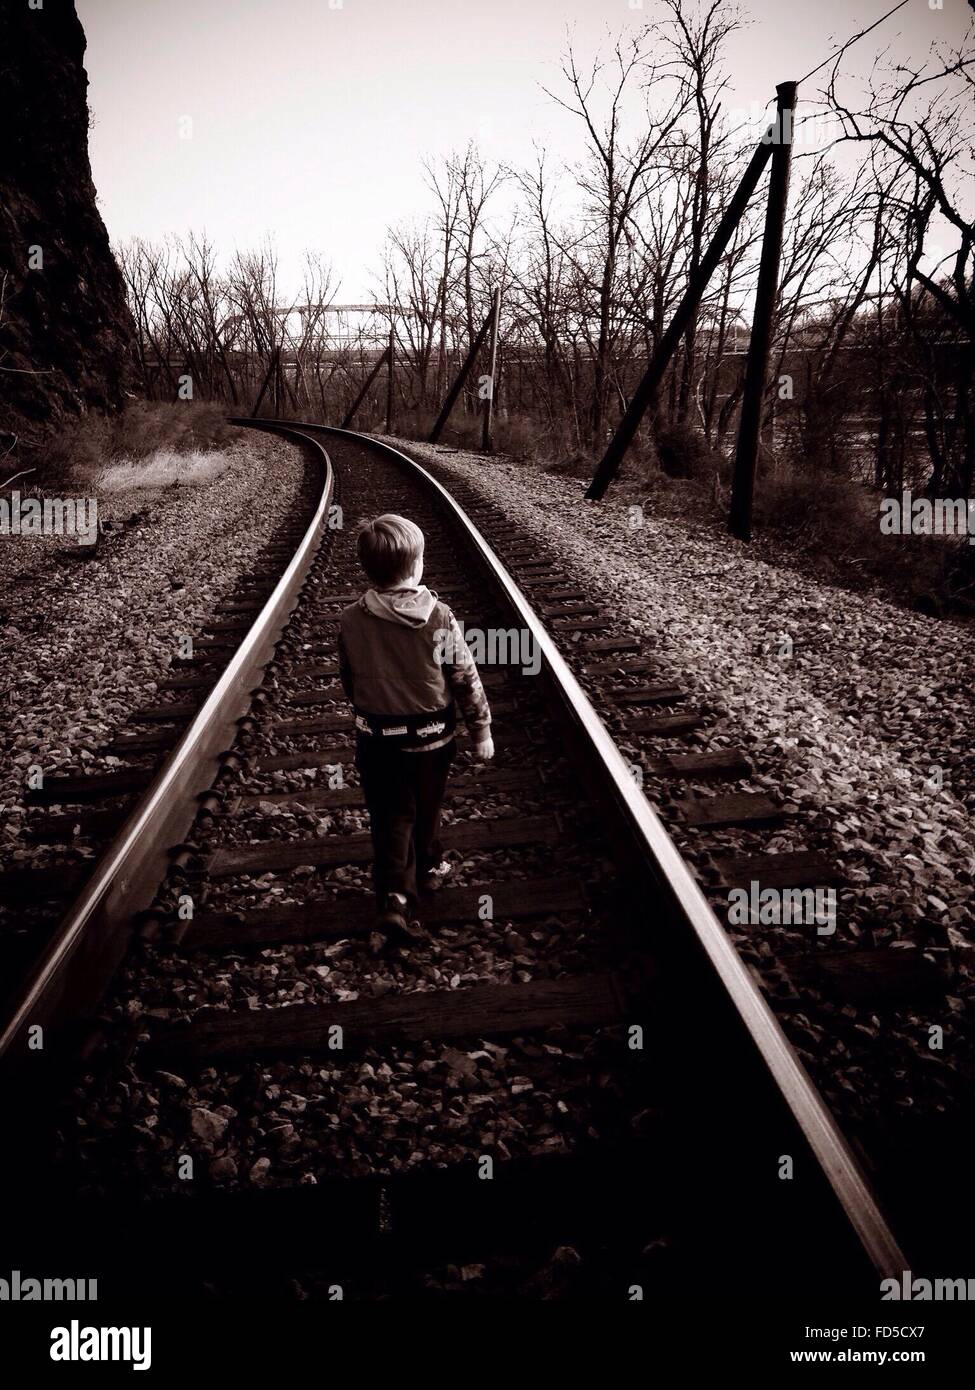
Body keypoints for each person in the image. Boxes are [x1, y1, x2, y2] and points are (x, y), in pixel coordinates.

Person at [337, 513, 494, 938]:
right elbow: (464, 677)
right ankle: (426, 865)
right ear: (417, 566)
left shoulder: (351, 619)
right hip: (431, 741)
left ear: (367, 569)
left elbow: (349, 678)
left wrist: (372, 708)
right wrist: (481, 729)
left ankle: (395, 896)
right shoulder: (440, 618)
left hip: (377, 743)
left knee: (390, 815)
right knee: (425, 806)